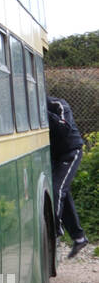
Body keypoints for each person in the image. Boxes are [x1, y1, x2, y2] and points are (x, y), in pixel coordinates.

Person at [47, 95, 89, 258]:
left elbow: (64, 129)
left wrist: (44, 112)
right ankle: (79, 237)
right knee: (62, 192)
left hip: (71, 152)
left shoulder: (59, 104)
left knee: (57, 190)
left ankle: (55, 230)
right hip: (55, 156)